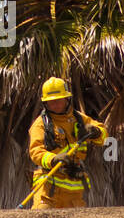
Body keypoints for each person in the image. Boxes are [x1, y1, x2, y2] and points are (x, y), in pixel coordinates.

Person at [26, 77, 108, 209]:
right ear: (45, 103)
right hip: (48, 187)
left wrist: (96, 132)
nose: (55, 105)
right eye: (51, 102)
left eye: (59, 100)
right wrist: (53, 159)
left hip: (74, 189)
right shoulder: (41, 125)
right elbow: (35, 151)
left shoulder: (80, 119)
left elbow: (105, 137)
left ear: (67, 99)